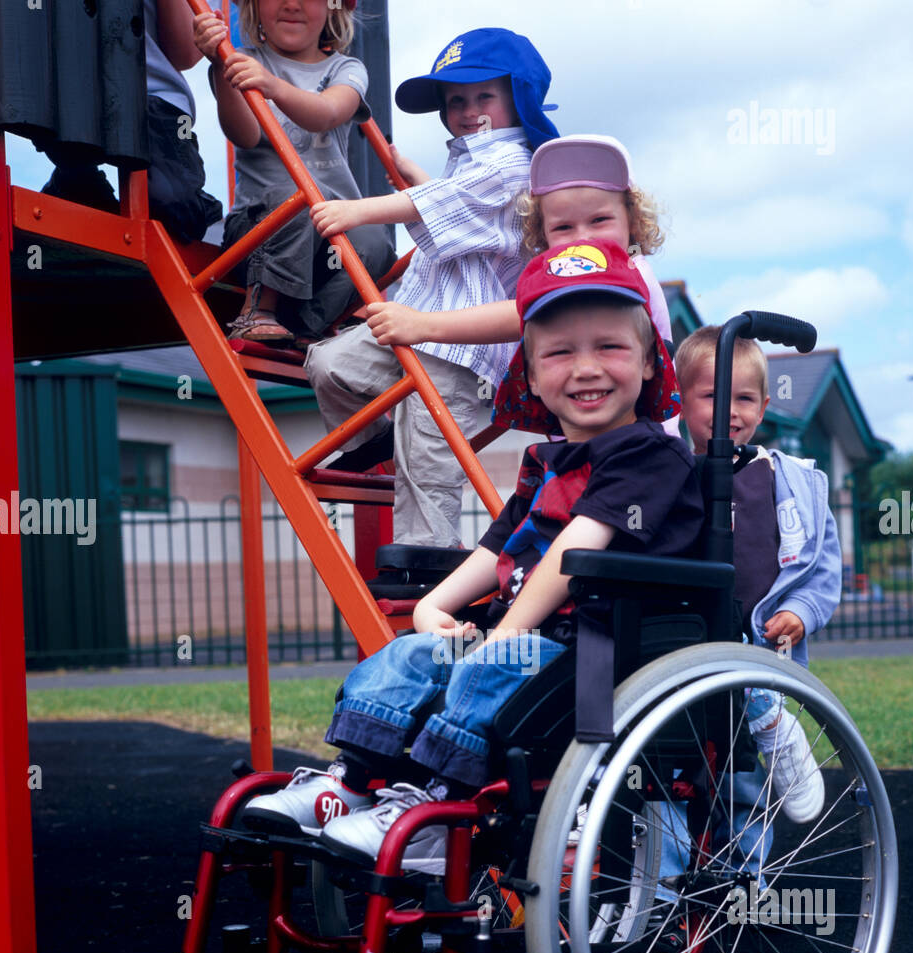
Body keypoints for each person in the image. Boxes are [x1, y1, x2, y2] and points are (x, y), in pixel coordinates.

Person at [248, 239, 703, 872]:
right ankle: (347, 786)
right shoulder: (544, 462)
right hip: (528, 645)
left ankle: (437, 815)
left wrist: (509, 628)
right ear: (534, 375)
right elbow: (499, 547)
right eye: (559, 353)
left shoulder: (649, 455)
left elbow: (580, 544)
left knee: (490, 666)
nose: (585, 368)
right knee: (407, 653)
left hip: (601, 651)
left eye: (610, 347)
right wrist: (435, 606)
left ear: (652, 363)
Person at [304, 28, 560, 547]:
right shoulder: (469, 162)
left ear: (520, 96)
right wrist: (414, 174)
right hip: (412, 320)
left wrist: (356, 210)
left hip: (461, 347)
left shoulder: (520, 164)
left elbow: (453, 201)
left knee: (427, 454)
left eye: (484, 96)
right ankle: (376, 436)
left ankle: (430, 556)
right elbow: (459, 206)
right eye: (455, 100)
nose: (468, 110)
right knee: (329, 365)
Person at [359, 134, 673, 437]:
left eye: (599, 221)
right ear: (542, 234)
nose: (582, 238)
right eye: (563, 227)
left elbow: (518, 314)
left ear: (631, 221)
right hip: (584, 434)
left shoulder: (618, 272)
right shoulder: (595, 270)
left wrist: (422, 325)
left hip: (629, 439)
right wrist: (423, 181)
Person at [675, 326, 842, 873]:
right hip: (683, 643)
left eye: (744, 398)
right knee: (676, 774)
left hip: (754, 644)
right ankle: (672, 884)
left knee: (746, 775)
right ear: (680, 399)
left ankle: (746, 876)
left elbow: (820, 567)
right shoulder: (668, 471)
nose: (730, 411)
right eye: (711, 397)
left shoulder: (786, 481)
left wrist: (800, 612)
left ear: (765, 406)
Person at [194, 0, 394, 343]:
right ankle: (257, 309)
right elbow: (245, 135)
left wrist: (273, 87)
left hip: (327, 240)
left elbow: (328, 112)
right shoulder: (245, 61)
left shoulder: (346, 68)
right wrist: (219, 65)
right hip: (259, 233)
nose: (292, 5)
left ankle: (309, 325)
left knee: (377, 244)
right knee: (302, 197)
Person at [38, 0, 222, 243]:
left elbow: (185, 52)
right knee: (71, 158)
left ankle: (196, 201)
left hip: (156, 97)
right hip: (76, 89)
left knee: (176, 210)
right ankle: (75, 180)